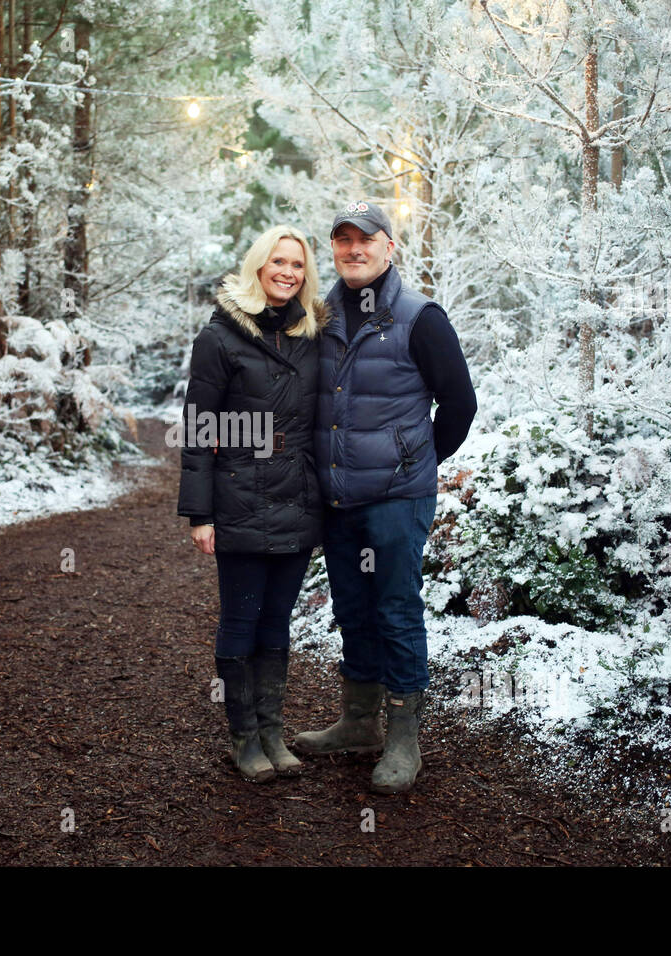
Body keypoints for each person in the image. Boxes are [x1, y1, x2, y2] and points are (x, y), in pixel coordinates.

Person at [293, 200, 477, 794]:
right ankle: (357, 723)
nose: (353, 250)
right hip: (340, 498)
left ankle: (404, 738)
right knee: (351, 607)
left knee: (396, 609)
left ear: (389, 247)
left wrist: (413, 462)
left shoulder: (421, 318)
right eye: (342, 240)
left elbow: (460, 405)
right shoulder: (321, 316)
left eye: (365, 240)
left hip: (397, 499)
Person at [177, 224, 328, 783]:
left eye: (298, 264)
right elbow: (199, 427)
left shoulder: (313, 333)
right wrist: (200, 512)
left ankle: (272, 732)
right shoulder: (219, 337)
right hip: (239, 494)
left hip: (298, 496)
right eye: (278, 262)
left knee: (277, 621)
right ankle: (243, 739)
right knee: (241, 619)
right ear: (258, 266)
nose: (288, 272)